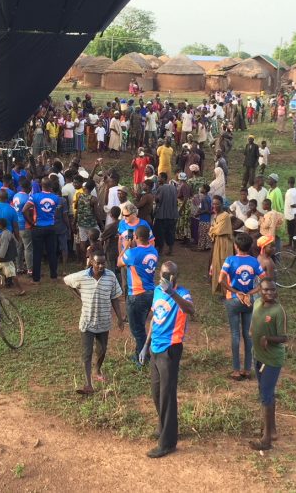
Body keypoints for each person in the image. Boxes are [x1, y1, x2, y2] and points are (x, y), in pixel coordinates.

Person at [141, 261, 194, 458]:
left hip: (170, 350)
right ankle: (164, 425)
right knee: (156, 391)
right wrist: (146, 345)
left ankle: (168, 442)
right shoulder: (156, 291)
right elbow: (155, 318)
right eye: (160, 274)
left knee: (167, 395)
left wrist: (172, 293)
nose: (161, 278)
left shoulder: (183, 294)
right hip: (155, 348)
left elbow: (190, 310)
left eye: (166, 275)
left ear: (173, 277)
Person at [64, 252, 125, 395]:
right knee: (87, 353)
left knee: (102, 349)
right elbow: (66, 280)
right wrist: (79, 295)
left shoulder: (110, 277)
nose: (101, 265)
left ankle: (97, 369)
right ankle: (88, 384)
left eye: (103, 263)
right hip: (87, 321)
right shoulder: (82, 276)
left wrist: (120, 318)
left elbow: (115, 298)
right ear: (91, 262)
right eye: (98, 263)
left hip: (104, 321)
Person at [249, 279, 287, 451]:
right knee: (266, 393)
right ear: (260, 291)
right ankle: (271, 430)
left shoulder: (278, 311)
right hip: (258, 356)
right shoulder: (257, 303)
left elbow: (284, 338)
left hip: (271, 359)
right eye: (266, 290)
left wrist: (267, 338)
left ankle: (266, 440)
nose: (269, 293)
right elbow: (254, 322)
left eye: (273, 290)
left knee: (266, 395)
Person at [220, 234, 264, 380]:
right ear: (250, 247)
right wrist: (252, 292)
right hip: (248, 300)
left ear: (236, 246)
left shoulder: (230, 260)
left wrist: (234, 291)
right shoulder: (254, 261)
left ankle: (236, 370)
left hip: (233, 300)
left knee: (235, 334)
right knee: (247, 334)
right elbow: (264, 280)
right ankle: (247, 369)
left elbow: (221, 280)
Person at [119, 225, 159, 364]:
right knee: (141, 325)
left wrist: (126, 247)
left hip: (136, 295)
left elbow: (119, 262)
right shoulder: (153, 250)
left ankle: (142, 358)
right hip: (150, 293)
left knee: (137, 329)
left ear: (135, 237)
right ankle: (140, 354)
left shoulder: (132, 253)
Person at [23, 178, 61, 282]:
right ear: (51, 186)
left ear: (41, 185)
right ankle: (54, 276)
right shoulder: (56, 198)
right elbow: (57, 213)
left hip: (38, 227)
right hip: (51, 227)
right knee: (52, 252)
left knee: (37, 253)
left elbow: (24, 210)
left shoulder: (34, 196)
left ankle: (36, 279)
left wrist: (31, 222)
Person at [0, 217, 26, 295]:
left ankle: (21, 290)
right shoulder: (7, 232)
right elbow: (16, 243)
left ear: (0, 225)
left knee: (12, 275)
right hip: (4, 259)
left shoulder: (4, 235)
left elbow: (3, 248)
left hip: (6, 260)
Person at [208, 196, 234, 295]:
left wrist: (212, 230)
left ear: (222, 204)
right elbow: (212, 230)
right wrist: (213, 230)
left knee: (224, 266)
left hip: (224, 244)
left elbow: (217, 230)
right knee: (216, 265)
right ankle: (219, 289)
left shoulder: (225, 215)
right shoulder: (216, 215)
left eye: (217, 204)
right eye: (213, 203)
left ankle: (226, 292)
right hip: (217, 242)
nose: (214, 206)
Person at [153, 173, 179, 256]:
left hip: (162, 214)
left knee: (160, 233)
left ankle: (160, 250)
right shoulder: (173, 187)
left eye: (159, 178)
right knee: (170, 232)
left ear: (164, 178)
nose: (158, 179)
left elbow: (157, 200)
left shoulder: (161, 188)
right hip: (172, 214)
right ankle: (170, 249)